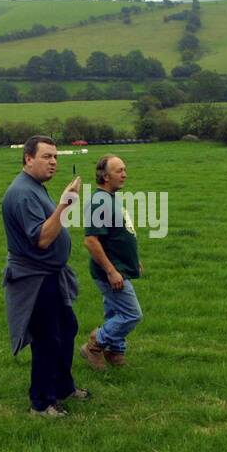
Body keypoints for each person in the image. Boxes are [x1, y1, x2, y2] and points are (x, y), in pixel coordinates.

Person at [1, 135, 90, 418]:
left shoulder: (35, 187)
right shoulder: (23, 193)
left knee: (67, 329)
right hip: (34, 278)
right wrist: (66, 204)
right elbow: (41, 239)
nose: (53, 162)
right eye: (46, 157)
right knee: (47, 339)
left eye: (55, 157)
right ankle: (40, 403)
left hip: (50, 275)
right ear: (28, 158)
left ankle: (63, 387)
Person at [79, 154, 143, 370]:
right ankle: (95, 345)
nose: (124, 174)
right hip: (110, 272)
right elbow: (91, 241)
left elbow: (120, 235)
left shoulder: (110, 198)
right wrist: (111, 271)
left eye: (124, 169)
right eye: (119, 171)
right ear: (105, 176)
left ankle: (115, 350)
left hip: (121, 268)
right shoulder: (99, 201)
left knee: (115, 312)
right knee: (131, 314)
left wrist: (133, 261)